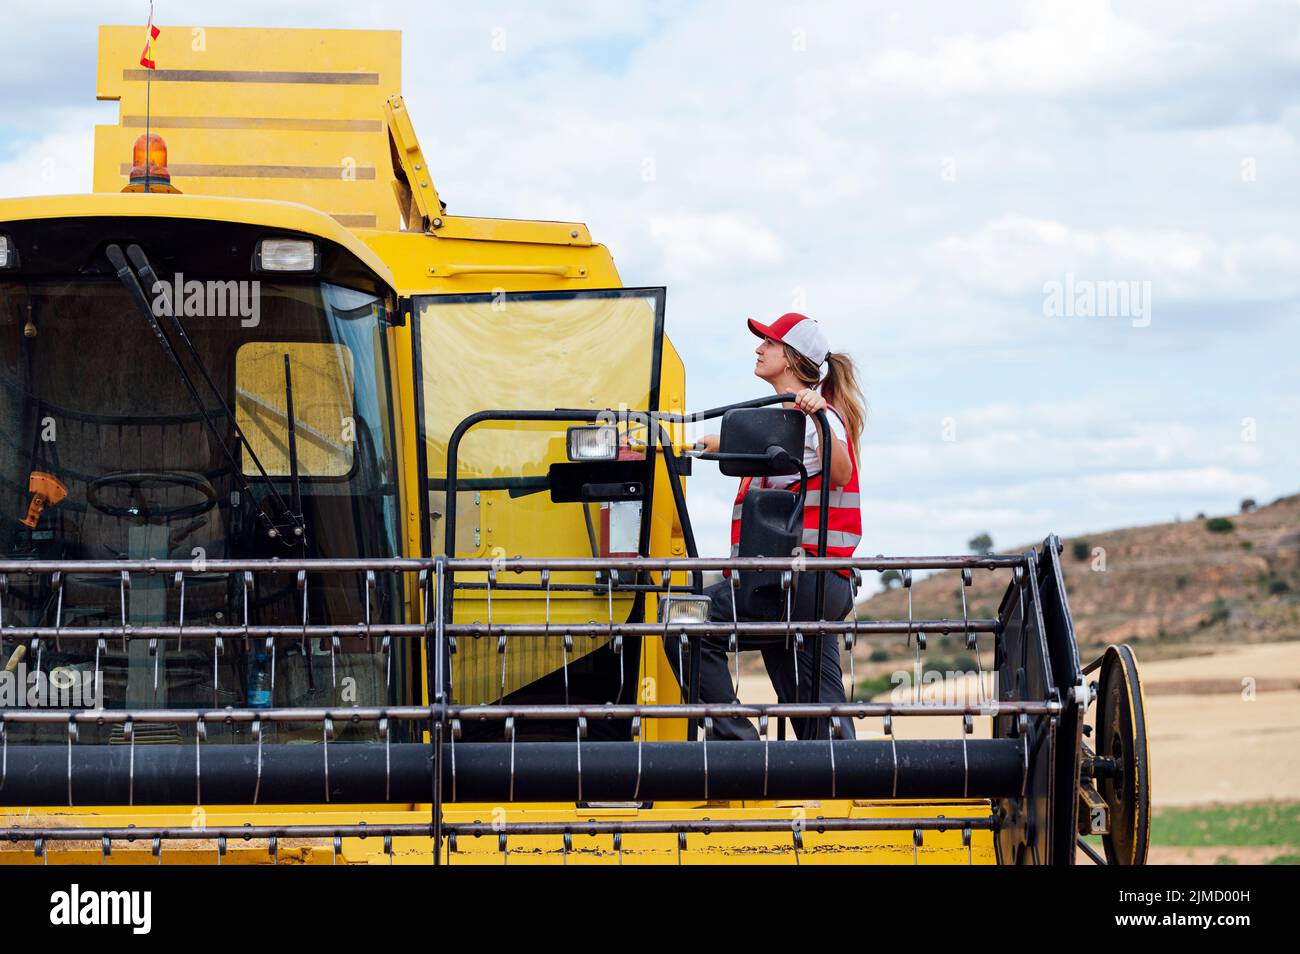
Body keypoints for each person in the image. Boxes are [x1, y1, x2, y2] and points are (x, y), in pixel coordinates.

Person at [667, 312, 866, 741]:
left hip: (798, 581)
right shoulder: (783, 422)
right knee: (818, 710)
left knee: (685, 622)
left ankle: (737, 747)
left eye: (768, 343)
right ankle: (841, 787)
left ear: (791, 359)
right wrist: (664, 441)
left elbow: (840, 469)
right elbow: (725, 443)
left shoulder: (819, 417)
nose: (759, 349)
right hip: (811, 586)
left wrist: (817, 415)